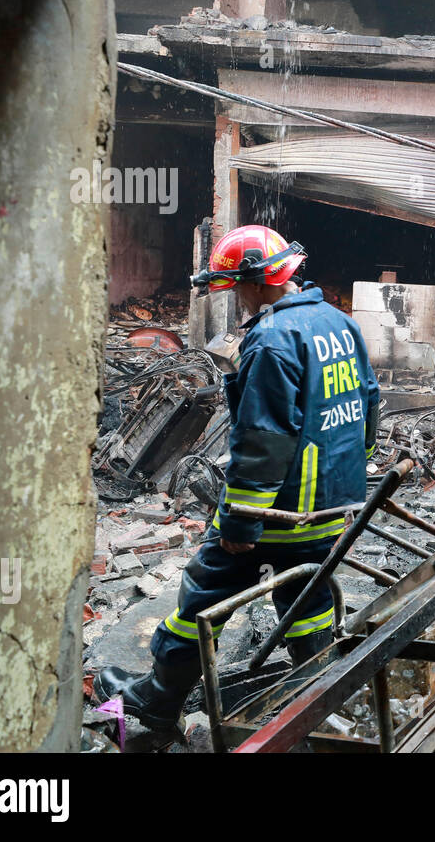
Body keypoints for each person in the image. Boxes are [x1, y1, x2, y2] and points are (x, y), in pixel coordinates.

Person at [94, 224, 379, 731]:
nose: (235, 299)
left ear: (256, 282)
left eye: (235, 288)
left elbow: (263, 443)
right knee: (308, 592)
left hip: (279, 509)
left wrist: (240, 525)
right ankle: (316, 687)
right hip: (335, 504)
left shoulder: (271, 340)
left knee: (207, 587)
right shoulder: (339, 323)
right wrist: (349, 472)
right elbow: (369, 408)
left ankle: (159, 699)